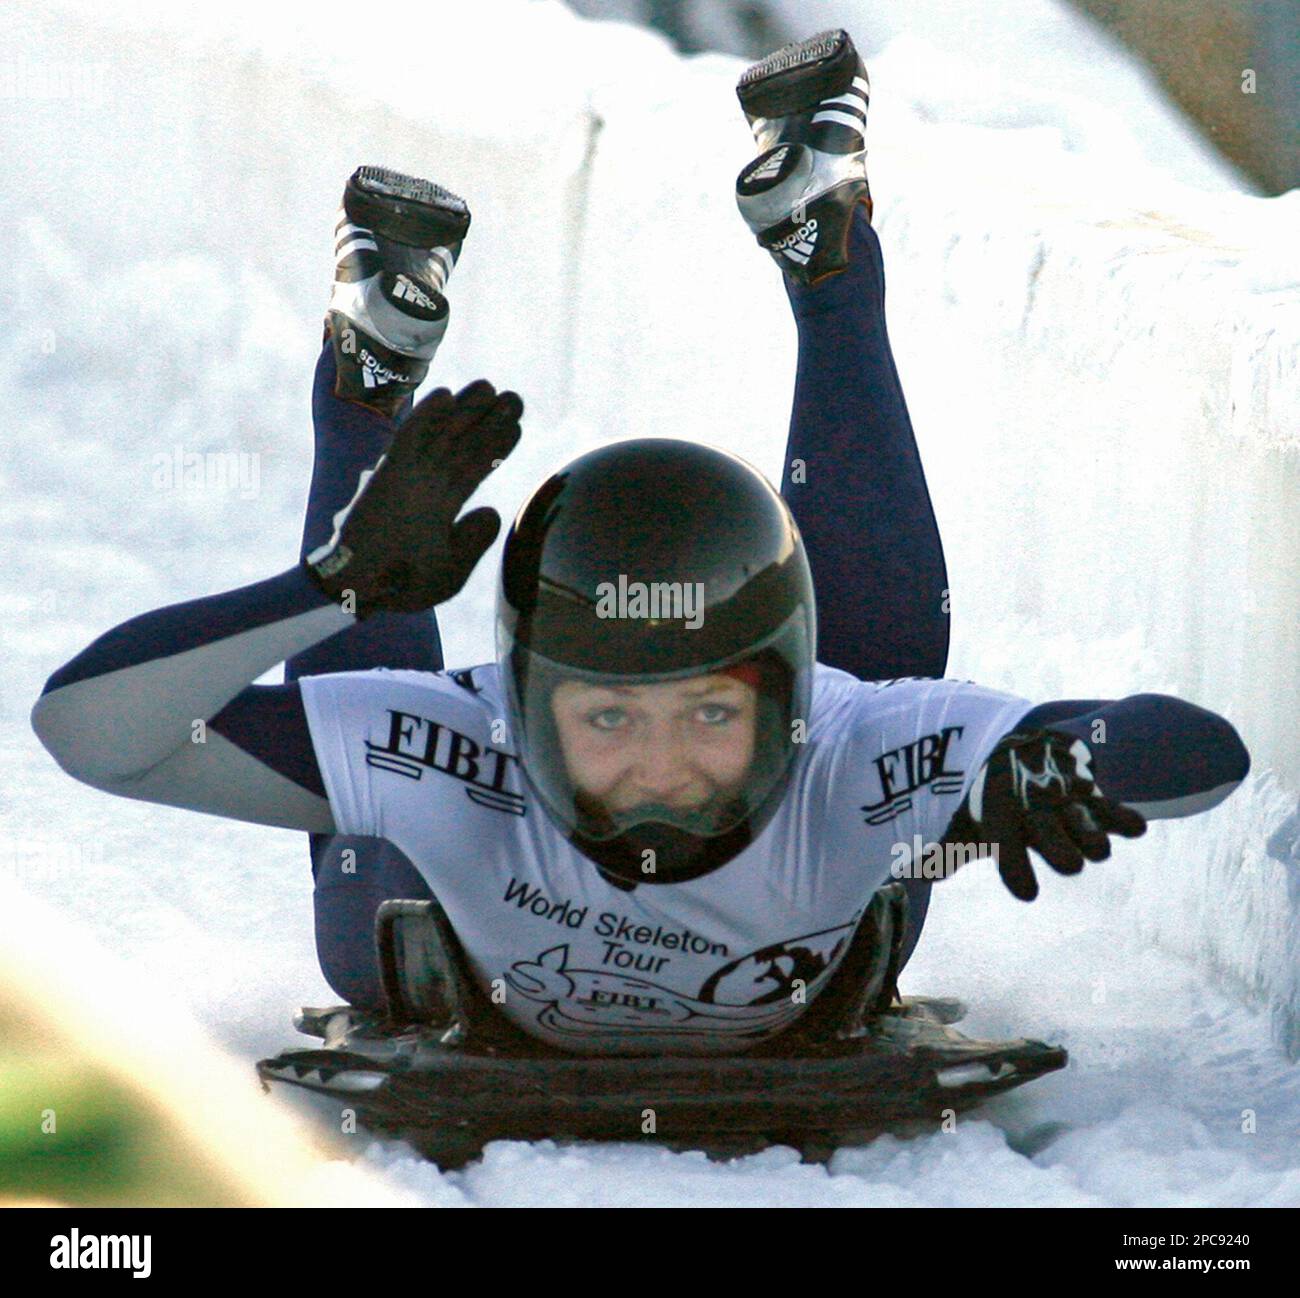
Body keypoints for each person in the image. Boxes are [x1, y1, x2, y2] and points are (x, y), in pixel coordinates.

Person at [32, 31, 1249, 1057]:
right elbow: (87, 727)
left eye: (709, 714)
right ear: (523, 703)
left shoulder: (851, 746)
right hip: (441, 941)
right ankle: (363, 399)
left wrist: (1049, 760)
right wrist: (325, 588)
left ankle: (830, 260)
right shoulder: (453, 751)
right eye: (609, 718)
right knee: (373, 768)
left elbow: (1199, 755)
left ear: (785, 704)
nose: (662, 771)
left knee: (890, 685)